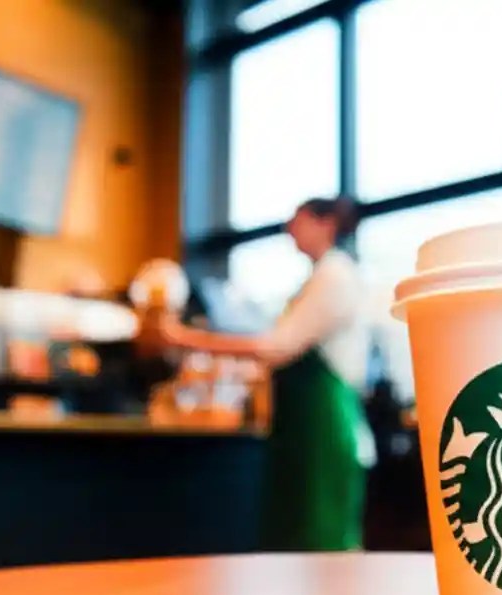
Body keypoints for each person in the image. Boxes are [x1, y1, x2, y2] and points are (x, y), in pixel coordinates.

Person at [159, 197, 371, 551]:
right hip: (302, 424)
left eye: (297, 221)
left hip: (324, 424)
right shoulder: (319, 276)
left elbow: (275, 347)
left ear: (326, 224)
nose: (289, 230)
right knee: (295, 536)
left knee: (323, 537)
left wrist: (186, 338)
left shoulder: (335, 275)